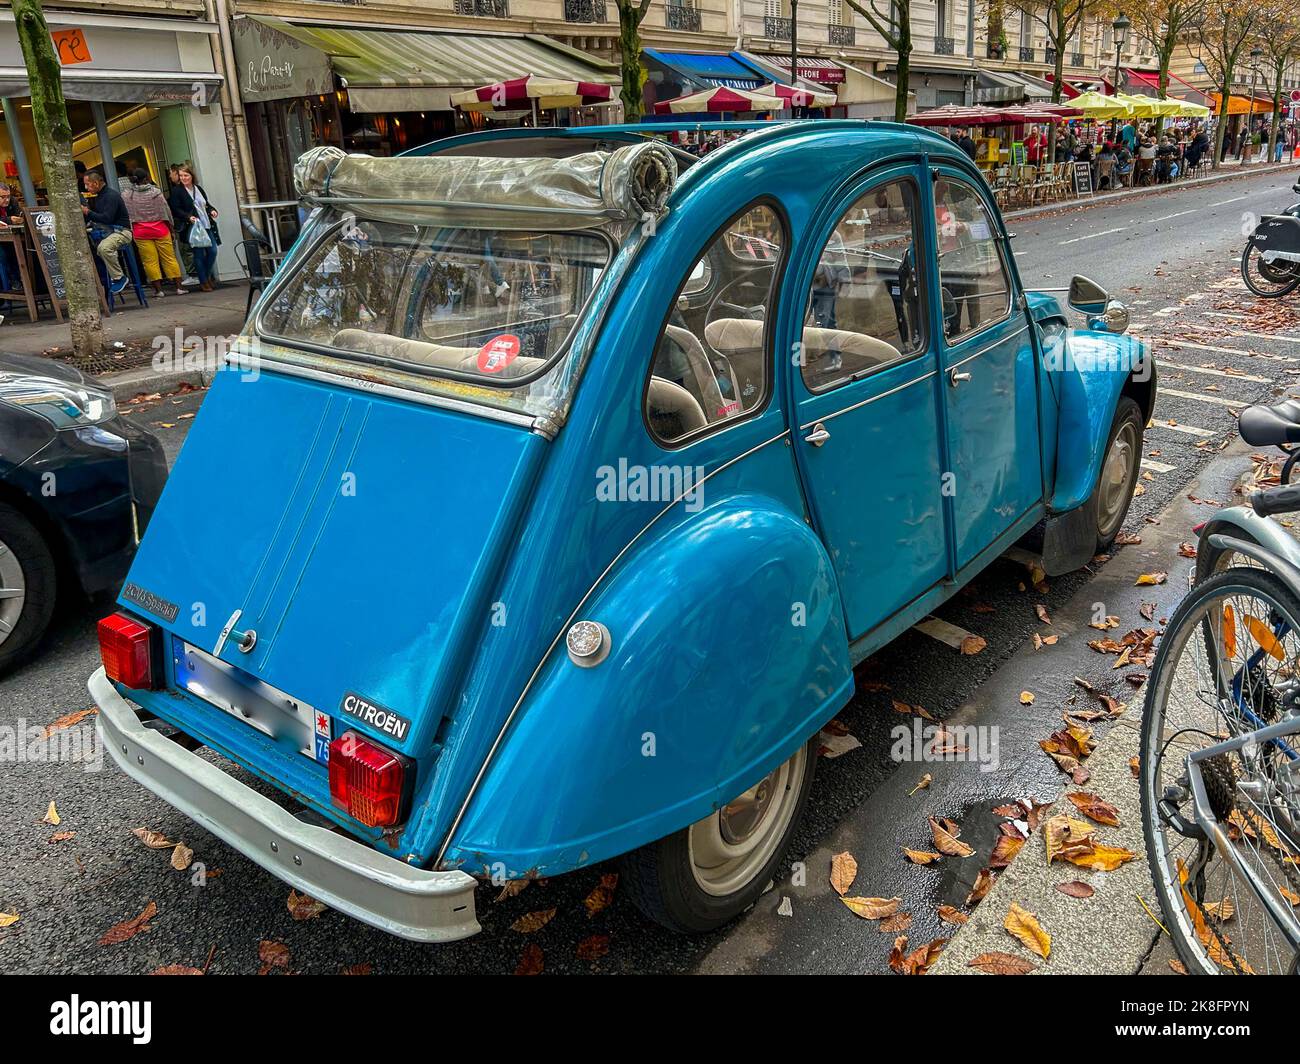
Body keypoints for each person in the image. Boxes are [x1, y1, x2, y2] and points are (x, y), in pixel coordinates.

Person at [122, 168, 186, 297]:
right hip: (161, 228)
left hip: (140, 231)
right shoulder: (155, 192)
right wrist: (171, 227)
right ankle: (179, 287)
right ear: (146, 178)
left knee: (149, 261)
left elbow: (127, 214)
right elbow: (166, 210)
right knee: (169, 258)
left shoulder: (127, 195)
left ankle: (159, 290)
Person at [168, 164, 220, 291]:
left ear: (192, 175)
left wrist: (213, 210)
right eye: (181, 176)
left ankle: (206, 277)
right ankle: (204, 281)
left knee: (212, 251)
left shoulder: (198, 189)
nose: (183, 178)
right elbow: (175, 209)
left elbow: (206, 204)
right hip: (193, 227)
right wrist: (187, 217)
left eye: (186, 175)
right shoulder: (177, 191)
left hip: (206, 224)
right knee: (198, 254)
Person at [81, 170, 132, 295]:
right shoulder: (100, 196)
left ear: (96, 183)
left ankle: (119, 277)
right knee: (96, 249)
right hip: (110, 232)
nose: (86, 187)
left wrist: (88, 212)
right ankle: (107, 278)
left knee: (104, 248)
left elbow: (107, 218)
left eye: (88, 184)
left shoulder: (111, 196)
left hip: (121, 232)